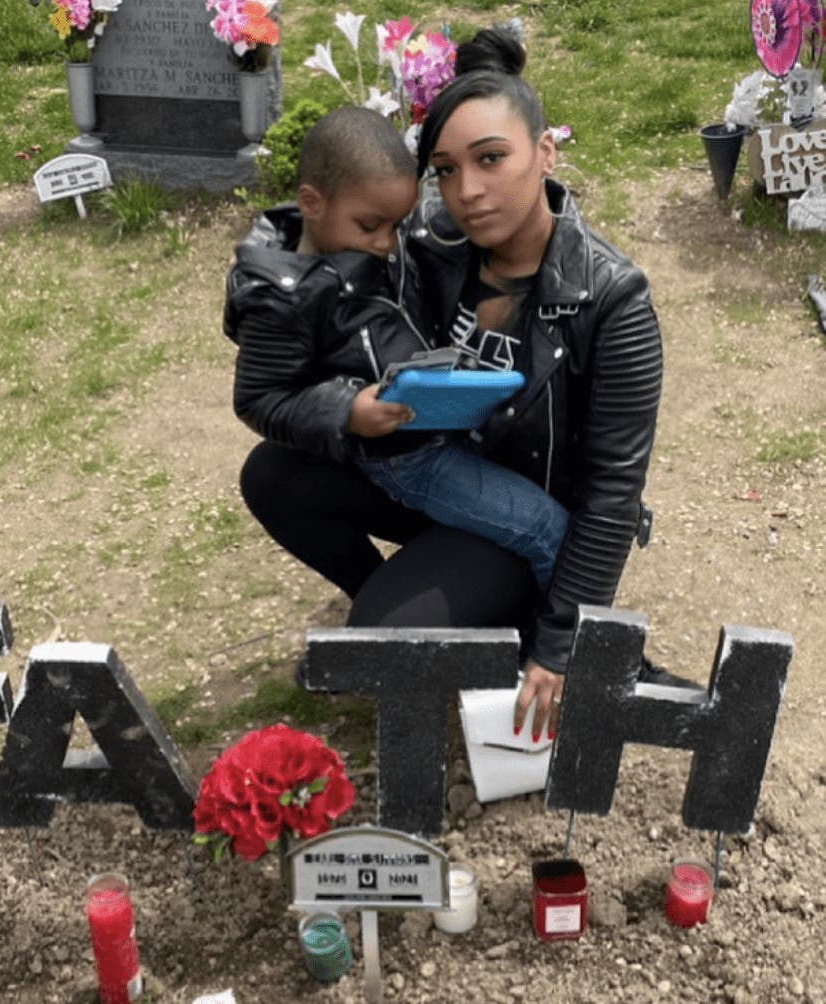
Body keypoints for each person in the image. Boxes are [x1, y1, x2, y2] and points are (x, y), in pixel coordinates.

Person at [236, 26, 676, 747]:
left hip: (533, 517)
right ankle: (432, 601)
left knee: (380, 639)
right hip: (433, 473)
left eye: (491, 159)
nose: (467, 192)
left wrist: (561, 645)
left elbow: (611, 494)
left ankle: (508, 613)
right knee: (272, 474)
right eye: (445, 170)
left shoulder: (611, 301)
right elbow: (319, 251)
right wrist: (325, 383)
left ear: (546, 152)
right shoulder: (428, 245)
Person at [226, 105, 570, 598]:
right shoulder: (282, 300)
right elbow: (259, 398)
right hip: (407, 456)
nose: (388, 243)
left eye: (397, 224)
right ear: (312, 202)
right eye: (371, 226)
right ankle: (555, 636)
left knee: (542, 512)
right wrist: (347, 411)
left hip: (449, 420)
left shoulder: (367, 235)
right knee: (545, 527)